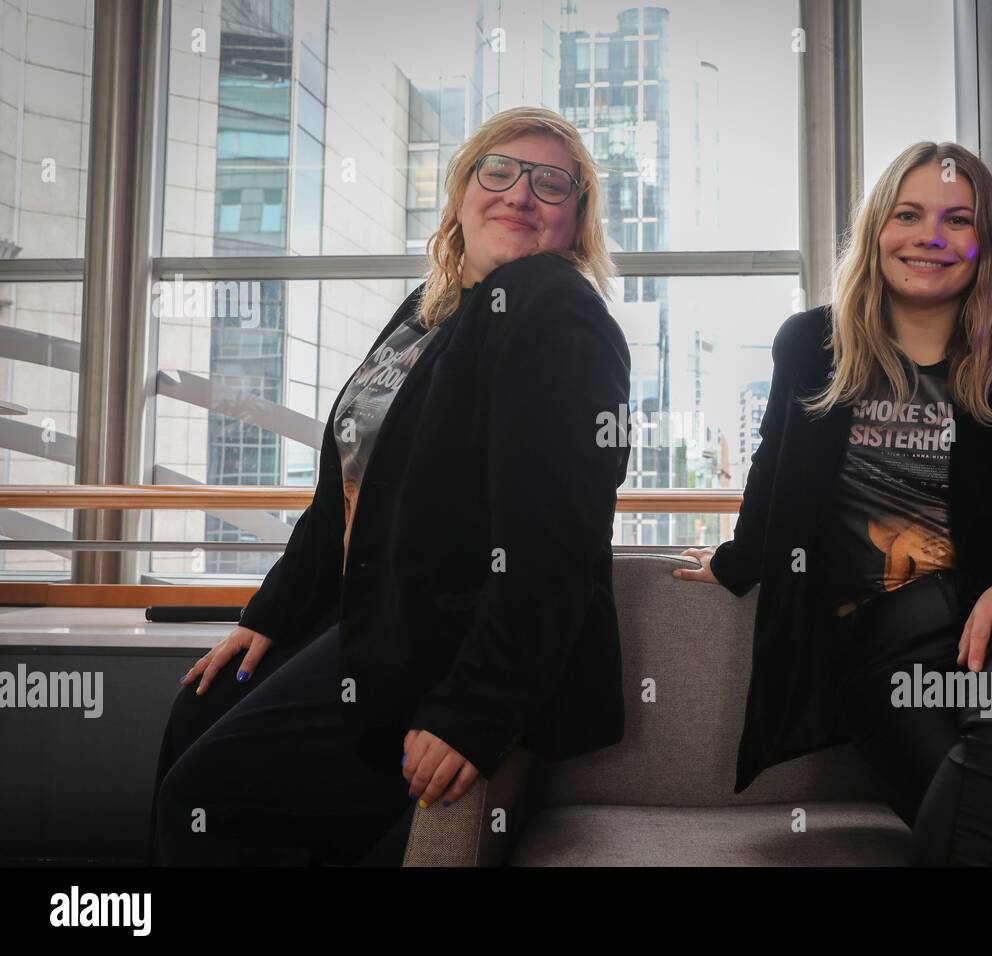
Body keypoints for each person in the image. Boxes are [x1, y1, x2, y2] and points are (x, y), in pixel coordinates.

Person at [147, 106, 632, 865]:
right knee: (196, 707)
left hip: (439, 647)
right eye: (497, 171)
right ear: (461, 192)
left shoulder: (553, 309)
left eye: (552, 184)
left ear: (576, 223)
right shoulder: (427, 312)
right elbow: (345, 486)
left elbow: (556, 541)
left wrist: (474, 713)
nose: (519, 194)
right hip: (367, 616)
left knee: (210, 796)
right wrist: (271, 614)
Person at [673, 141, 992, 866]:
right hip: (889, 647)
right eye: (909, 214)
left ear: (985, 244)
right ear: (877, 230)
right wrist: (740, 559)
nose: (929, 237)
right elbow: (775, 471)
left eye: (957, 220)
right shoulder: (812, 346)